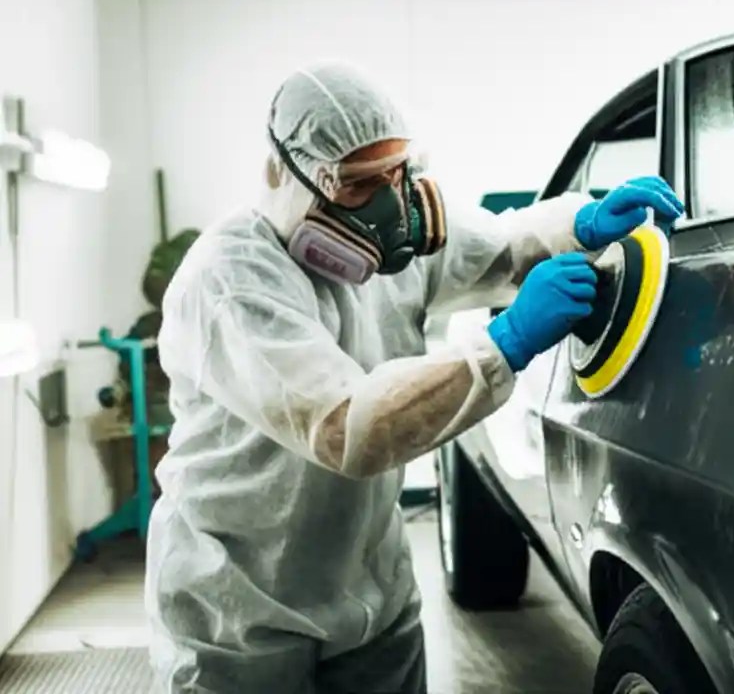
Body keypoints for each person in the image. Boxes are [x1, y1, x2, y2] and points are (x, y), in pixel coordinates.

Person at [145, 61, 684, 693]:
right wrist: (503, 346)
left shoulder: (394, 244)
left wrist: (581, 225)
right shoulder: (231, 281)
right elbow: (347, 427)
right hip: (240, 609)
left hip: (371, 592)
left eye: (398, 174)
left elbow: (502, 247)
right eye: (359, 184)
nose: (389, 205)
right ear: (290, 182)